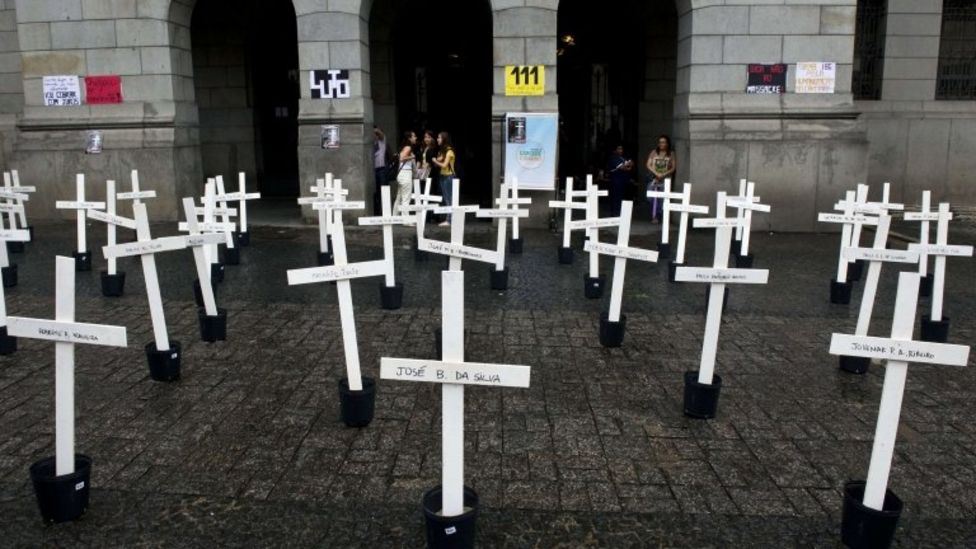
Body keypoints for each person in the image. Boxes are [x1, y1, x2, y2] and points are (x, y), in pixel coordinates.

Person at [645, 135, 676, 223]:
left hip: (665, 179)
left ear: (667, 144)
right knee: (650, 197)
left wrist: (663, 174)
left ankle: (656, 216)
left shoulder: (671, 154)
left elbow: (673, 167)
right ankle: (655, 213)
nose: (661, 144)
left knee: (662, 198)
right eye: (660, 142)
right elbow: (648, 164)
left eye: (663, 142)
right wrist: (656, 174)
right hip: (653, 178)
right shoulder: (654, 152)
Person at [432, 131, 456, 226]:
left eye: (439, 138)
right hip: (443, 176)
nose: (437, 139)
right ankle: (449, 219)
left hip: (449, 176)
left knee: (449, 198)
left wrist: (435, 160)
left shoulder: (449, 151)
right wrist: (437, 160)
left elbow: (444, 165)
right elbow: (437, 164)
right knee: (446, 198)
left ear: (444, 139)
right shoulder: (443, 151)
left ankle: (449, 220)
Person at [392, 131, 417, 215]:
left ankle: (394, 217)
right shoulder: (408, 147)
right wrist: (412, 156)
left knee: (399, 197)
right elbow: (402, 158)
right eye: (414, 136)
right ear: (409, 138)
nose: (415, 138)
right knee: (406, 198)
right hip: (406, 174)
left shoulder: (404, 147)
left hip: (401, 174)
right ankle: (406, 219)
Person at [606, 144, 634, 217]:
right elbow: (622, 167)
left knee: (622, 197)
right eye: (619, 149)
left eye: (621, 149)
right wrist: (627, 166)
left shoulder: (623, 157)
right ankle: (615, 213)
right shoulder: (613, 158)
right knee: (616, 197)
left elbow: (631, 164)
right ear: (615, 150)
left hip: (623, 180)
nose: (621, 150)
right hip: (616, 180)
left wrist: (628, 165)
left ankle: (621, 213)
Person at [372, 127, 391, 215]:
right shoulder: (371, 144)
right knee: (376, 192)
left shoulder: (382, 143)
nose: (375, 136)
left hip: (382, 170)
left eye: (376, 134)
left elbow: (382, 135)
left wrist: (374, 129)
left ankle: (385, 211)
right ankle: (377, 211)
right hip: (373, 171)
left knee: (383, 190)